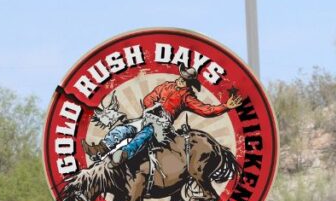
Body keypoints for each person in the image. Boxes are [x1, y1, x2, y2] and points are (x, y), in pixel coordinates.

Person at [83, 64, 243, 164]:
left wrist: (225, 107)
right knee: (124, 129)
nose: (182, 80)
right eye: (182, 77)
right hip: (148, 116)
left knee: (145, 134)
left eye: (186, 79)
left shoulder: (187, 97)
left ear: (189, 83)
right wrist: (152, 105)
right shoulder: (166, 86)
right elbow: (149, 98)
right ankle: (101, 149)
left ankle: (125, 154)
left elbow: (205, 110)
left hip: (162, 124)